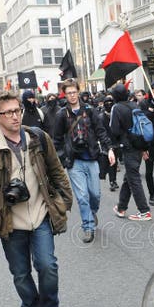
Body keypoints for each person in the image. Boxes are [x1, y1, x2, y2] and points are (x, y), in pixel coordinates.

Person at [0, 90, 73, 307]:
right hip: (9, 221)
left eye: (18, 110)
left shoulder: (38, 138)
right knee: (21, 273)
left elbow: (57, 171)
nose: (15, 116)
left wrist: (65, 202)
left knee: (48, 266)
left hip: (40, 214)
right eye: (8, 113)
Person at [52, 79, 115, 242]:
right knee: (82, 196)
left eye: (74, 92)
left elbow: (101, 131)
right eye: (68, 93)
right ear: (64, 95)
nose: (72, 96)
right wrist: (63, 158)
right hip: (74, 162)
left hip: (92, 158)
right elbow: (56, 140)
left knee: (95, 194)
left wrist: (109, 149)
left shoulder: (89, 110)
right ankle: (88, 226)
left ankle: (92, 213)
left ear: (78, 92)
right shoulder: (61, 115)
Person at [111, 83, 152, 221]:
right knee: (129, 176)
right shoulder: (135, 105)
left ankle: (144, 211)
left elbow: (114, 130)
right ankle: (121, 207)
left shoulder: (117, 108)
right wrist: (144, 148)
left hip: (128, 147)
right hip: (139, 145)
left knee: (133, 178)